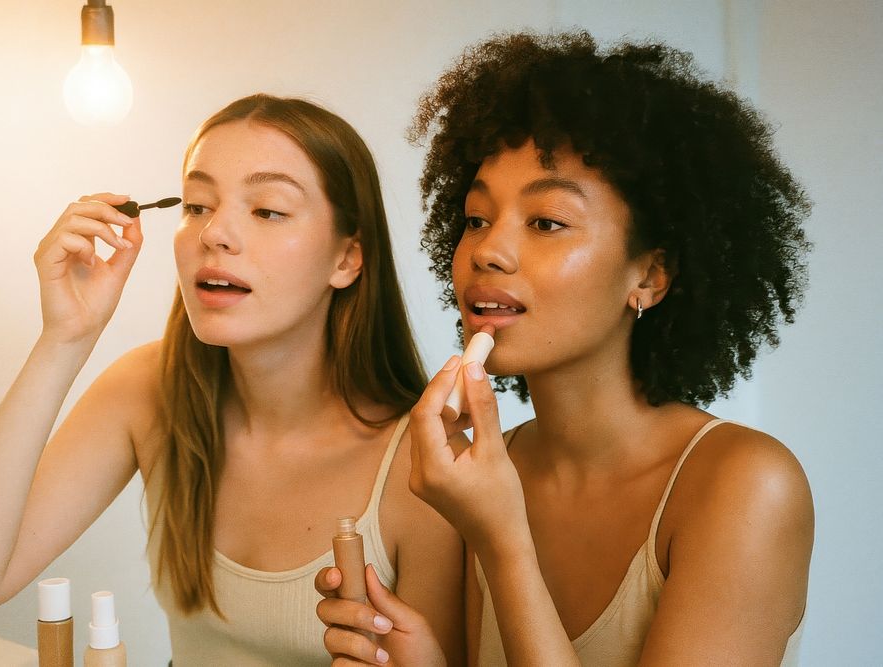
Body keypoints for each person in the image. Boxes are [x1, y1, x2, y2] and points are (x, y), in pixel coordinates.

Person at [0, 94, 464, 666]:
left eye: (267, 210)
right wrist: (64, 338)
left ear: (347, 259)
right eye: (197, 206)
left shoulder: (426, 466)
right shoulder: (148, 392)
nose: (214, 233)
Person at [316, 31, 813, 666]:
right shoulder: (490, 474)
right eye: (475, 218)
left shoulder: (745, 486)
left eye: (546, 222)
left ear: (651, 275)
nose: (488, 251)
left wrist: (502, 540)